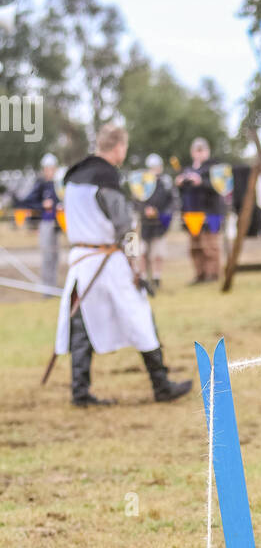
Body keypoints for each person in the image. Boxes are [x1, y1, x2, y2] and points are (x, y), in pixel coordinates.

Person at [53, 124, 191, 407]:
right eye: (124, 148)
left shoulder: (74, 176)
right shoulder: (106, 177)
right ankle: (161, 385)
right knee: (140, 316)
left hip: (81, 261)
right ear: (118, 147)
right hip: (107, 261)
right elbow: (125, 227)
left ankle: (80, 392)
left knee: (82, 325)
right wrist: (135, 265)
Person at [175, 138, 224, 284]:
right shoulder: (187, 170)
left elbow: (220, 187)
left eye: (202, 150)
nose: (199, 153)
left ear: (207, 151)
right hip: (191, 213)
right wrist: (180, 183)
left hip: (210, 212)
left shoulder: (215, 167)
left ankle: (213, 274)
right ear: (192, 152)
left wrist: (202, 182)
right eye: (197, 150)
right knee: (195, 247)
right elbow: (182, 192)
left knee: (210, 246)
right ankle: (200, 274)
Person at [22, 152, 61, 291]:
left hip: (56, 225)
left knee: (56, 256)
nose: (52, 171)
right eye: (50, 168)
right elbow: (27, 201)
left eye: (54, 168)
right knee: (47, 256)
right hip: (45, 224)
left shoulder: (55, 184)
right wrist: (42, 205)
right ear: (45, 169)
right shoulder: (40, 184)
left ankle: (53, 286)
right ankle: (46, 288)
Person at [136, 153, 174, 290]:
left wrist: (160, 213)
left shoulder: (165, 183)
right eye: (153, 167)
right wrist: (144, 210)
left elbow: (172, 201)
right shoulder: (141, 183)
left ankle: (157, 278)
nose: (155, 169)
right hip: (145, 224)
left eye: (157, 166)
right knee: (142, 253)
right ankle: (144, 279)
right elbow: (137, 201)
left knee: (158, 254)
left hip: (159, 224)